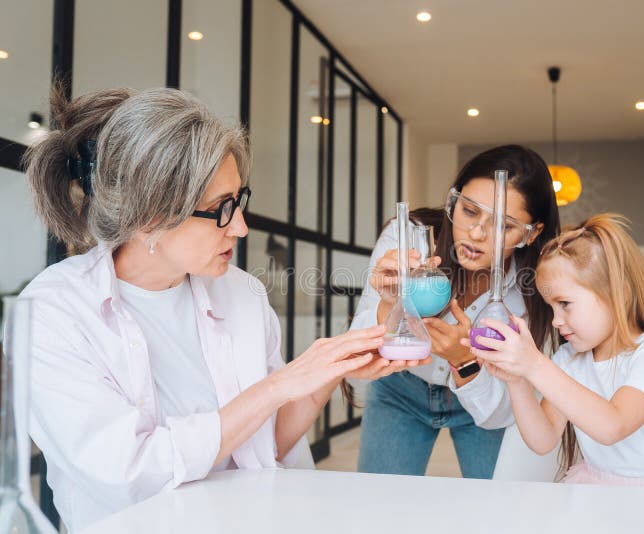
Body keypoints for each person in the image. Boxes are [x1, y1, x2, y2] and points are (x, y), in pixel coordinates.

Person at [16, 86, 425, 532]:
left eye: (239, 201)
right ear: (149, 214)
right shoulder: (54, 311)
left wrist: (325, 373)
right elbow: (127, 475)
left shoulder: (242, 294)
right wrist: (277, 386)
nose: (242, 227)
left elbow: (263, 445)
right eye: (220, 209)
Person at [350, 145, 561, 478]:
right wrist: (391, 304)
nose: (477, 234)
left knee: (495, 511)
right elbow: (355, 348)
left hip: (485, 395)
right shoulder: (409, 240)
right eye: (470, 211)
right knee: (382, 505)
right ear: (454, 199)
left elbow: (506, 409)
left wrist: (464, 360)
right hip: (401, 389)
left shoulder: (533, 287)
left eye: (503, 226)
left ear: (531, 233)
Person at [467, 214, 644, 488]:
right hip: (596, 492)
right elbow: (543, 439)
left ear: (618, 294)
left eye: (565, 303)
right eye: (551, 307)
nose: (555, 320)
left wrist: (534, 364)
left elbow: (613, 426)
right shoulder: (569, 359)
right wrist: (517, 380)